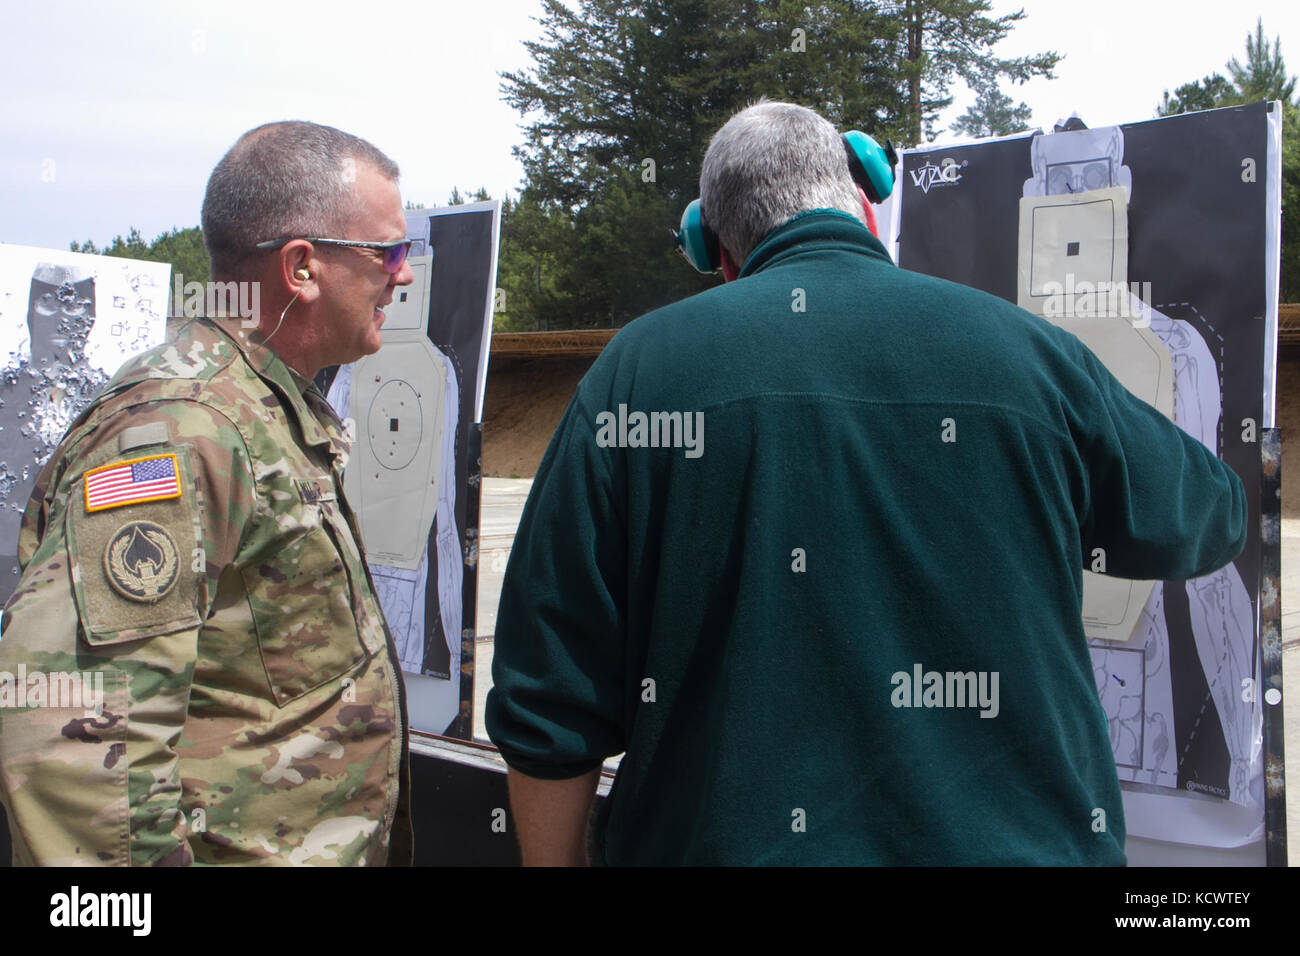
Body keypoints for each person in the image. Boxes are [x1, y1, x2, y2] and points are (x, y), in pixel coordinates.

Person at [484, 101, 1248, 865]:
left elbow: (548, 692)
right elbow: (1210, 517)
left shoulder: (634, 372)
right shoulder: (1034, 357)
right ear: (866, 201)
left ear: (712, 248)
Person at [0, 120, 416, 866]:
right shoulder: (183, 432)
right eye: (386, 251)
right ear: (301, 268)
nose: (402, 273)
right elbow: (71, 736)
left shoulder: (256, 409)